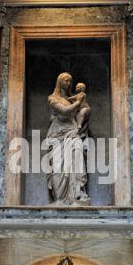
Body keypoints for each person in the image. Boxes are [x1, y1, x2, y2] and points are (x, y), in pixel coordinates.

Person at [46, 72, 90, 206]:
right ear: (59, 82)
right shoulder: (52, 98)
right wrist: (78, 102)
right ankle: (60, 199)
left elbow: (85, 110)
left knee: (78, 154)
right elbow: (64, 111)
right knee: (58, 166)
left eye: (70, 81)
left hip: (72, 132)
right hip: (57, 135)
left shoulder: (72, 98)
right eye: (66, 81)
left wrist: (84, 109)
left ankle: (77, 193)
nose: (69, 84)